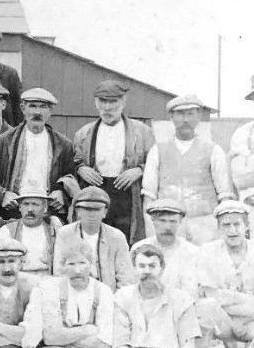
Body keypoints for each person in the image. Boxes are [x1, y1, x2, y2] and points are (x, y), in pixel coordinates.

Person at [141, 94, 234, 244]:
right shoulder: (157, 150)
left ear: (199, 116)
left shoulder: (213, 150)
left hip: (205, 224)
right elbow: (149, 196)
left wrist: (222, 229)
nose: (185, 120)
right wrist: (152, 231)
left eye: (191, 114)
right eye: (180, 114)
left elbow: (225, 194)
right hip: (169, 224)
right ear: (171, 116)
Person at [72, 80, 155, 243]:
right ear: (96, 102)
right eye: (102, 101)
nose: (107, 107)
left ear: (123, 102)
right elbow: (73, 162)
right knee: (94, 238)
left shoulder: (142, 132)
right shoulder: (84, 133)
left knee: (126, 239)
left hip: (128, 194)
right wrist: (81, 169)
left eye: (113, 101)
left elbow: (155, 163)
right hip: (96, 191)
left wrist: (139, 170)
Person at [0, 88, 78, 220]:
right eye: (32, 106)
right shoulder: (5, 140)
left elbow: (71, 176)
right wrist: (2, 194)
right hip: (13, 210)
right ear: (23, 108)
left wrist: (62, 193)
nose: (37, 112)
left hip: (49, 211)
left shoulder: (63, 144)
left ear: (50, 111)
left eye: (43, 107)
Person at [195, 201, 254, 348]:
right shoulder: (208, 251)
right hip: (223, 320)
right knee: (205, 306)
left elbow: (223, 297)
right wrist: (245, 300)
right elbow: (211, 294)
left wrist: (231, 297)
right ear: (219, 228)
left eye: (237, 224)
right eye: (226, 225)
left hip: (251, 322)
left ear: (247, 226)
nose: (232, 230)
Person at [53, 186, 133, 290]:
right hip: (74, 291)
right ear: (78, 211)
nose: (91, 214)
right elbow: (59, 272)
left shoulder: (116, 236)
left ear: (104, 212)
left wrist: (114, 298)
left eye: (97, 210)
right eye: (87, 209)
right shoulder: (65, 234)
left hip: (108, 293)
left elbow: (125, 277)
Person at [131, 200, 202, 297]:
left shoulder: (192, 251)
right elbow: (132, 284)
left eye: (173, 221)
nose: (168, 227)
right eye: (162, 221)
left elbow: (194, 290)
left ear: (180, 222)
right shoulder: (139, 248)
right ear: (153, 221)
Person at [0, 190, 60, 279]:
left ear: (45, 208)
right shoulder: (6, 231)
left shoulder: (54, 229)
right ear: (20, 207)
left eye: (35, 204)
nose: (30, 209)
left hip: (47, 281)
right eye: (26, 204)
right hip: (17, 282)